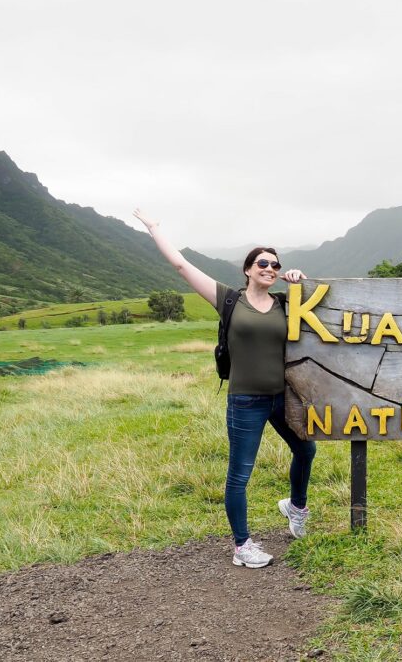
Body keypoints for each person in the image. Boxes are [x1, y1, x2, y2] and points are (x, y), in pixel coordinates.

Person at [134, 209, 317, 568]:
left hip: (282, 397)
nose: (270, 269)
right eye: (263, 263)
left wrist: (299, 284)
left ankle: (296, 507)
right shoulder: (229, 300)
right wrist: (155, 229)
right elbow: (181, 265)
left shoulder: (284, 303)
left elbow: (322, 309)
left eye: (276, 266)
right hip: (246, 401)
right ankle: (242, 545)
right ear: (248, 269)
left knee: (306, 451)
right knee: (240, 472)